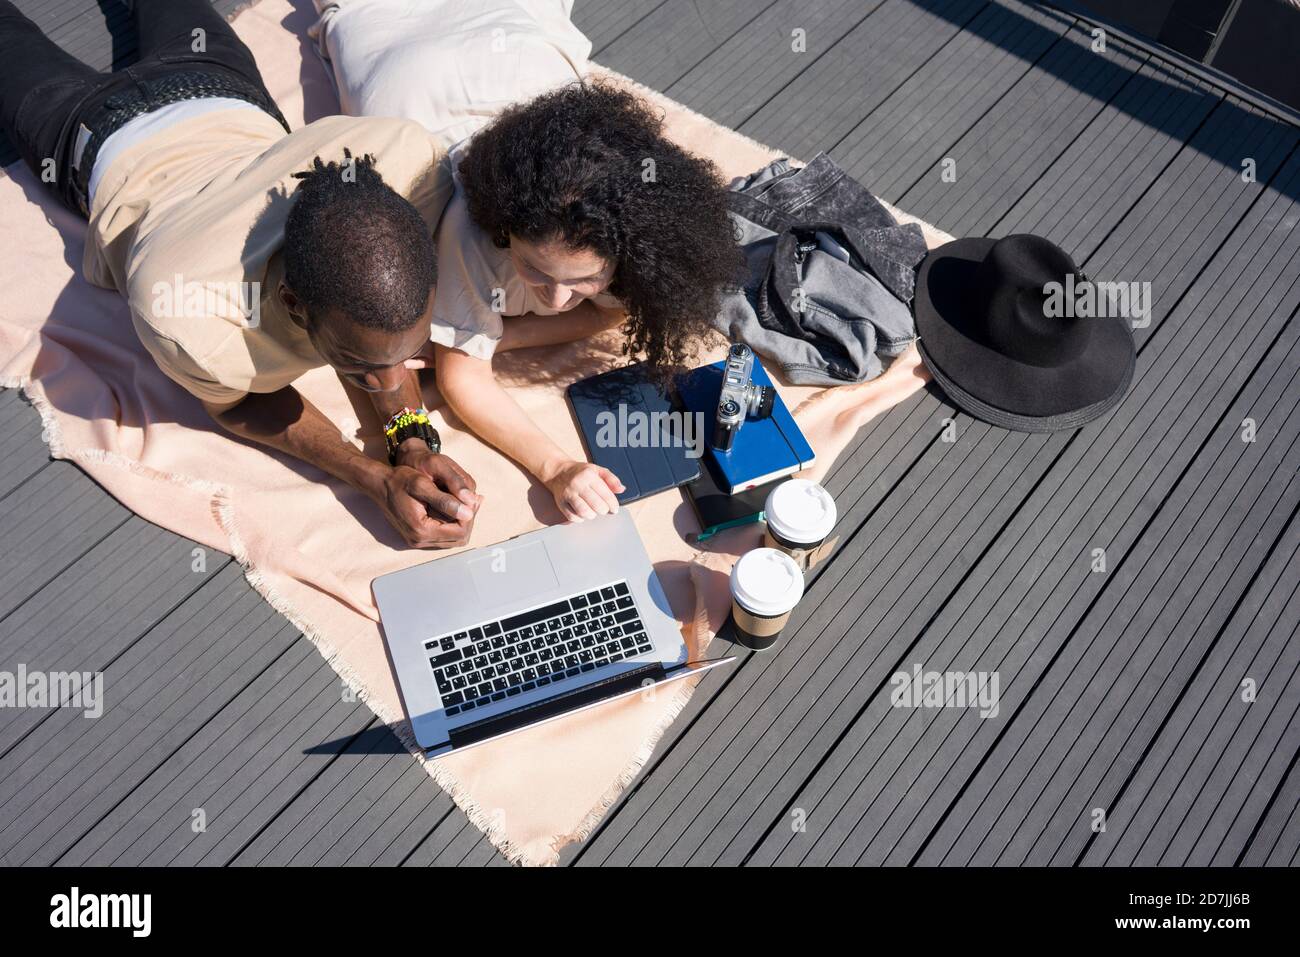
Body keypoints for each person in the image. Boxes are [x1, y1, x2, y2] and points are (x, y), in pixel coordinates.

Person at [0, 0, 480, 548]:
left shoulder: (410, 159)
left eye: (409, 355)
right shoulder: (189, 321)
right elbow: (242, 403)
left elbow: (376, 335)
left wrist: (410, 439)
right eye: (359, 364)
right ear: (292, 302)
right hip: (94, 133)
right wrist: (368, 476)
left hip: (215, 81)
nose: (394, 384)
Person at [308, 2, 745, 524]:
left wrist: (497, 337)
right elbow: (462, 379)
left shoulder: (634, 225)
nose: (556, 302)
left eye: (582, 280)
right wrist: (557, 467)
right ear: (503, 229)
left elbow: (614, 313)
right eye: (536, 272)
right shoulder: (470, 230)